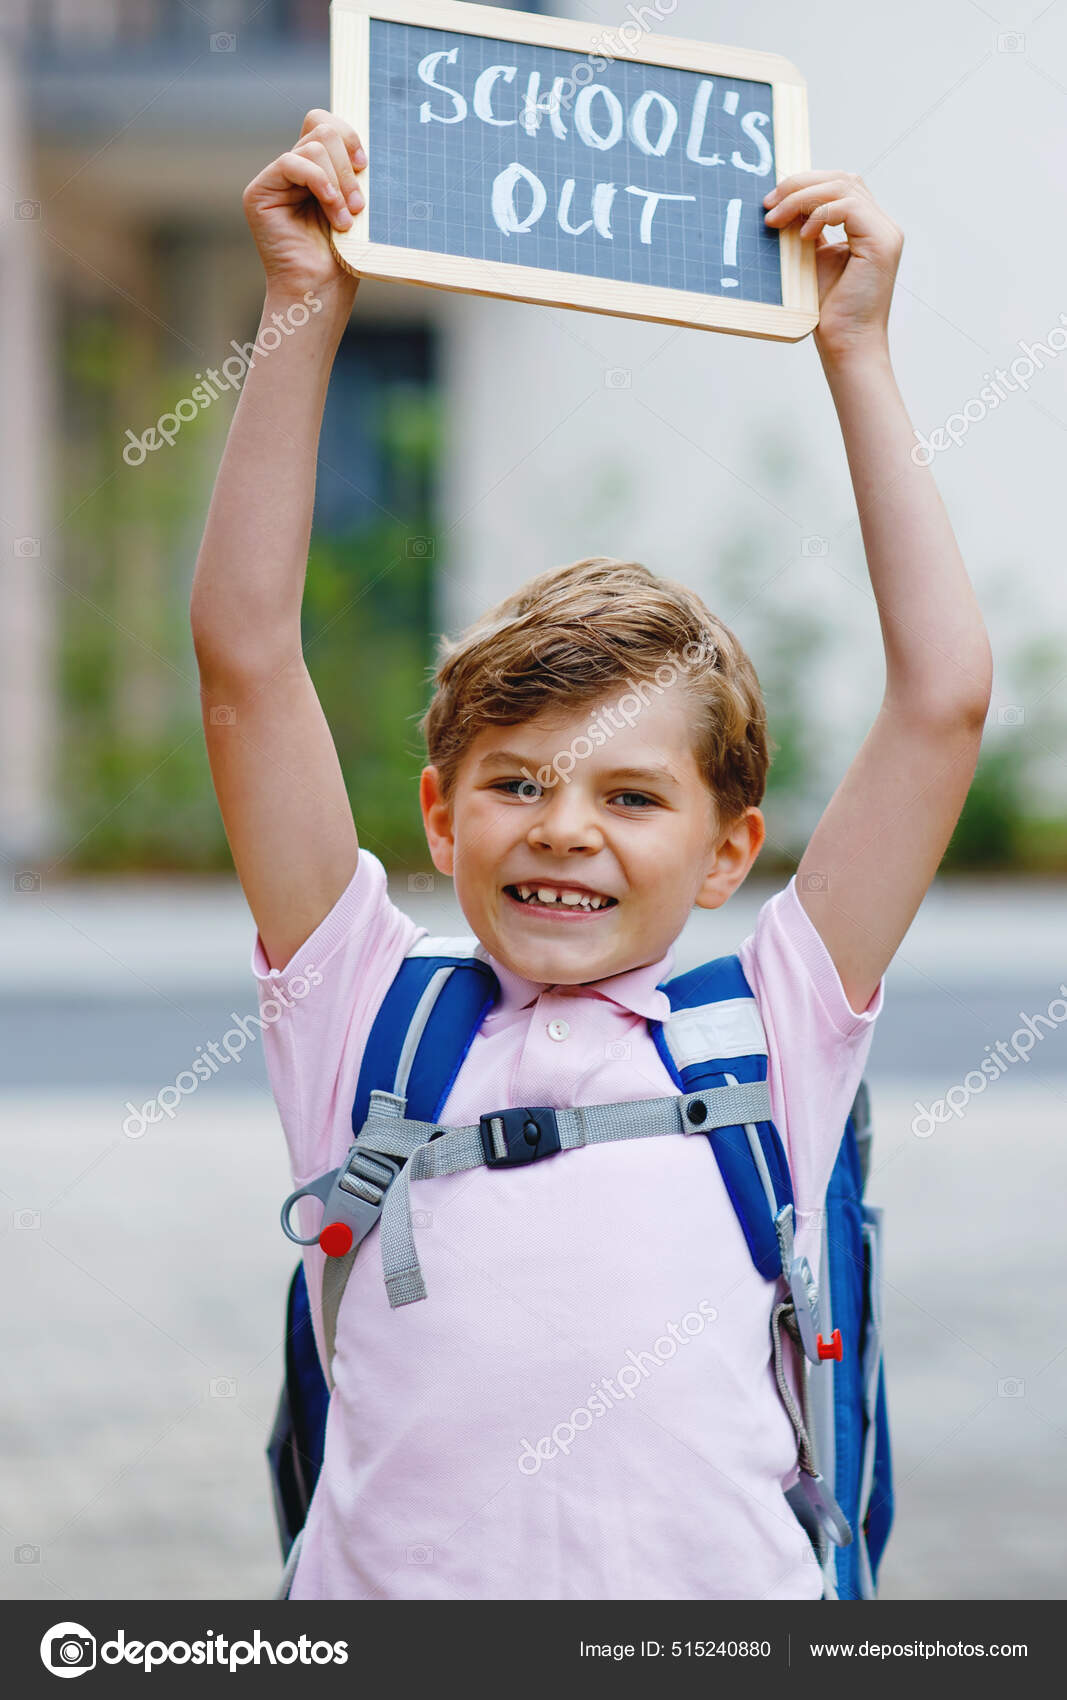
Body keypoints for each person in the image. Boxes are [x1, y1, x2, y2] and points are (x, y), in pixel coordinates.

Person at [190, 108, 992, 1600]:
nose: (564, 827)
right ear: (440, 814)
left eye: (633, 799)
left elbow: (941, 707)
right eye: (516, 783)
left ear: (726, 851)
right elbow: (245, 660)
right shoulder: (367, 1012)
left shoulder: (777, 1031)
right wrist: (303, 308)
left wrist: (860, 356)